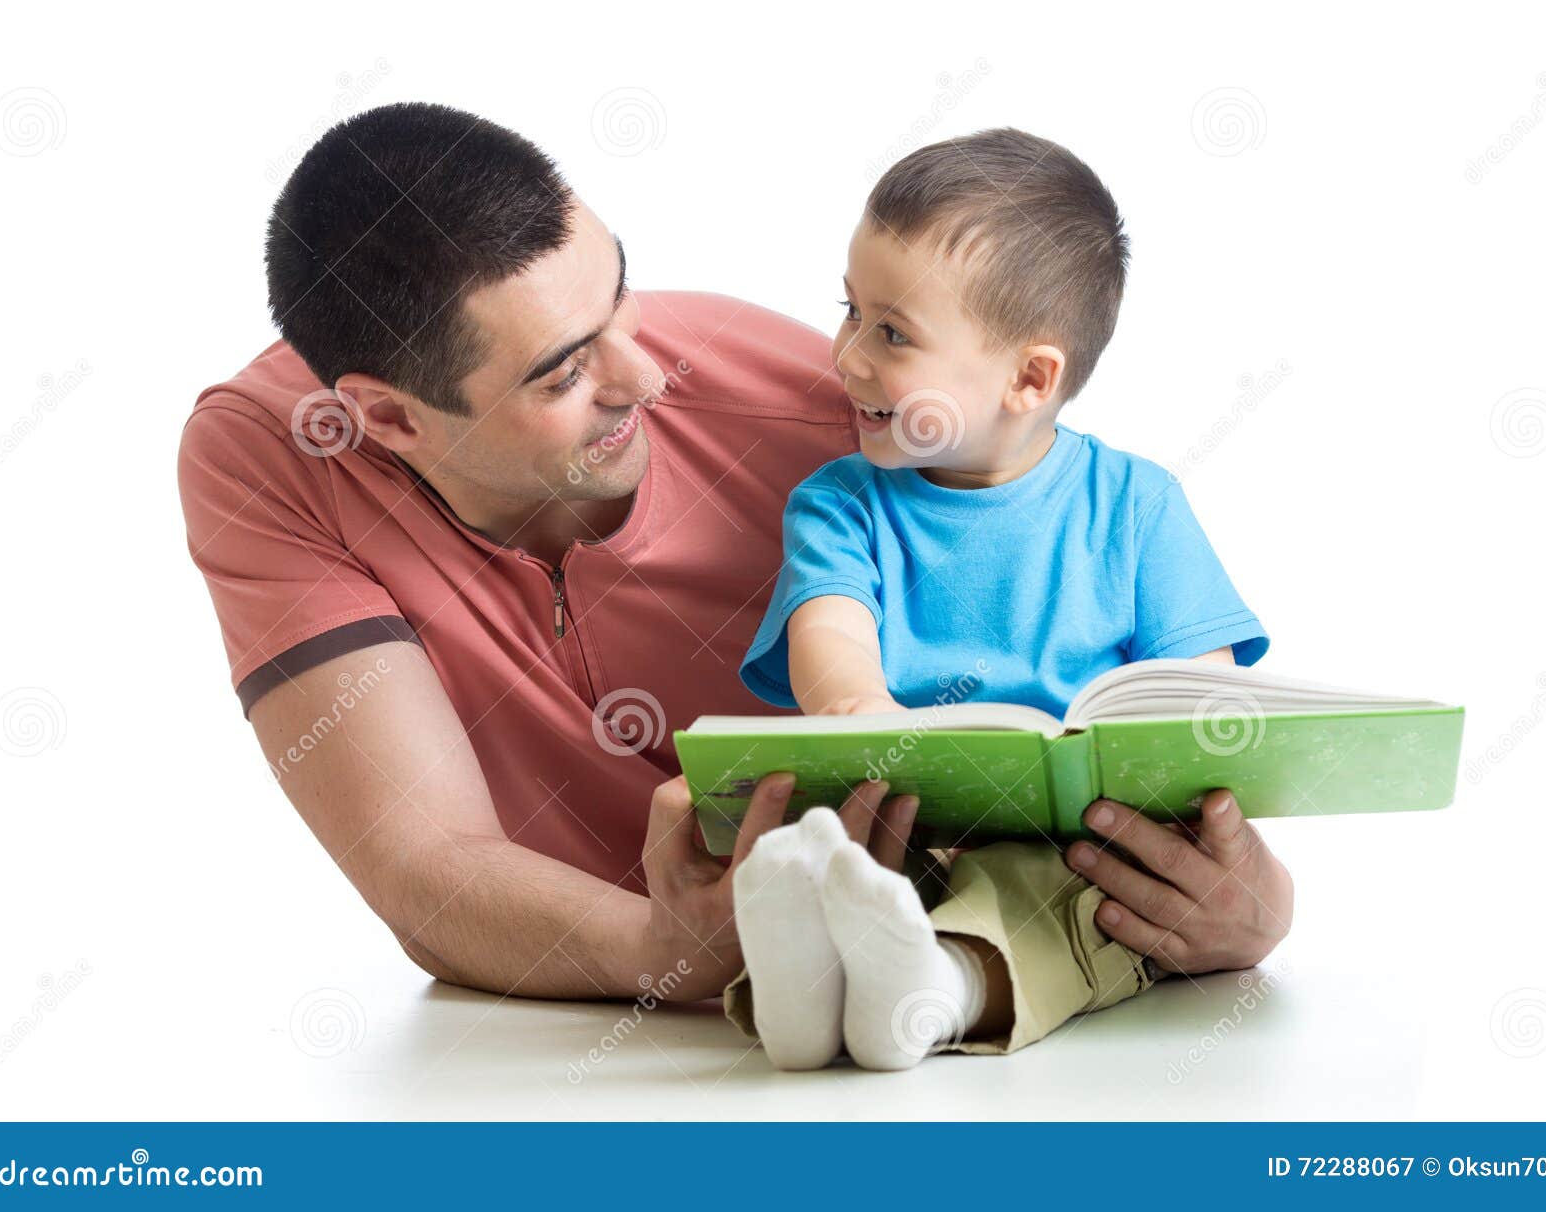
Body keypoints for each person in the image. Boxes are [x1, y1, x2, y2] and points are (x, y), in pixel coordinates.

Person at [176, 102, 1293, 1014]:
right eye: (565, 373)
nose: (646, 377)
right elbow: (425, 866)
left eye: (621, 296)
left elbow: (1129, 665)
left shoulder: (839, 420)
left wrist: (1249, 904)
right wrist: (671, 951)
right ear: (390, 419)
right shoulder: (272, 451)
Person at [726, 129, 1284, 1069]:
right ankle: (800, 995)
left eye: (892, 333)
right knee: (826, 860)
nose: (848, 357)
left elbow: (1197, 707)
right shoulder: (840, 503)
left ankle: (941, 992)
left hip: (1072, 850)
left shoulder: (1137, 506)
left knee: (1049, 900)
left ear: (1030, 378)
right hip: (898, 811)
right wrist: (866, 714)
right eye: (849, 310)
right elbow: (834, 643)